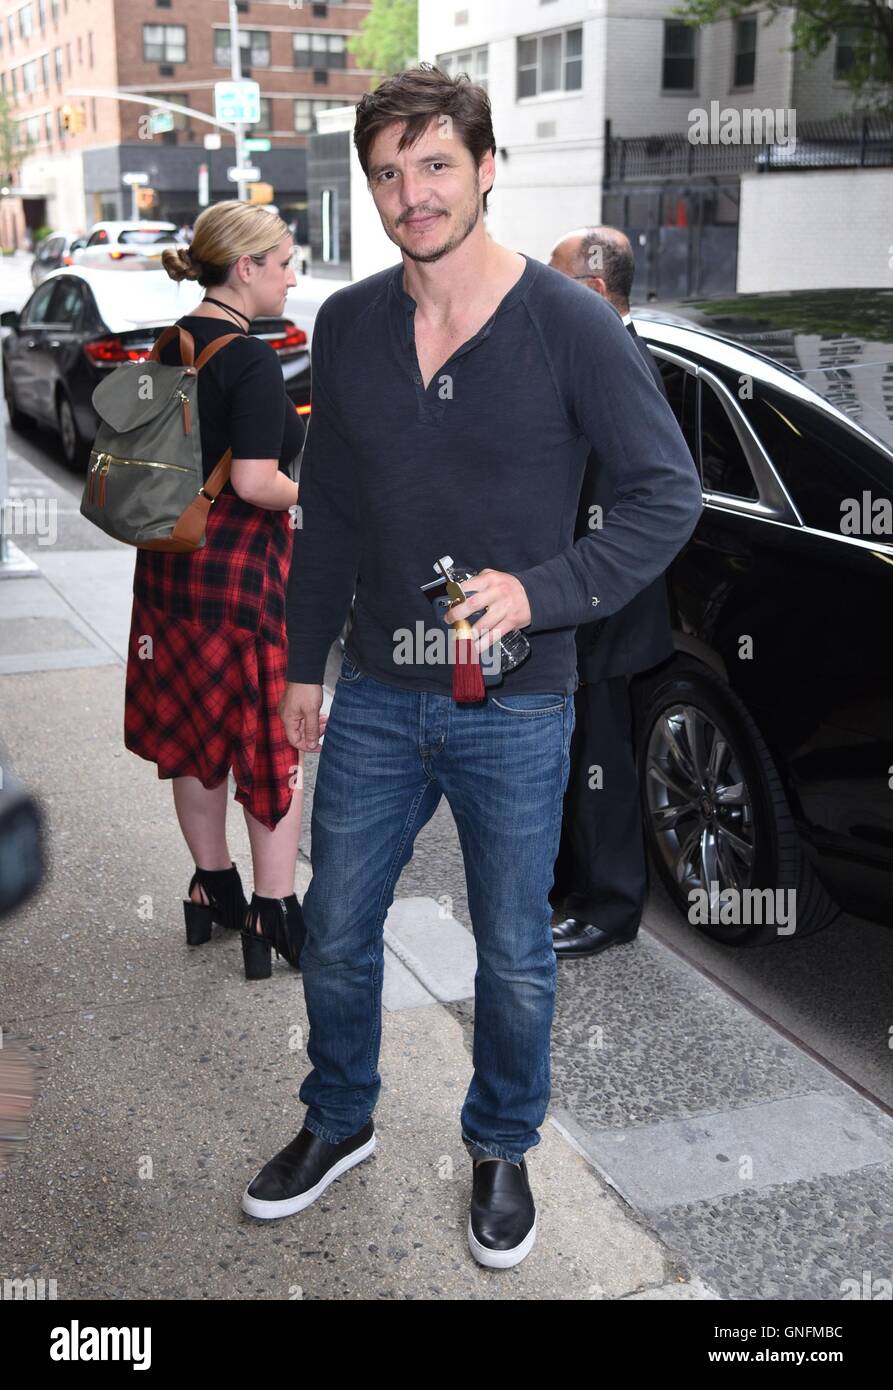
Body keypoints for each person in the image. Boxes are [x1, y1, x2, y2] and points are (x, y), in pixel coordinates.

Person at [240, 68, 703, 1267]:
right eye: (388, 173)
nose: (411, 192)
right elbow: (329, 506)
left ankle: (499, 1145)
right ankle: (337, 1119)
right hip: (380, 693)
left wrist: (540, 592)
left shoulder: (569, 323)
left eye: (435, 163)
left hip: (517, 705)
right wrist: (300, 664)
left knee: (511, 950)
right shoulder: (344, 325)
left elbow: (664, 496)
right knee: (336, 924)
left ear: (486, 167)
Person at [123, 201, 306, 980]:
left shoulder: (171, 342)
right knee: (273, 742)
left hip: (170, 571)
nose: (294, 277)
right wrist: (320, 494)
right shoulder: (250, 359)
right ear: (246, 268)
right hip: (239, 579)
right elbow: (261, 484)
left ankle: (214, 885)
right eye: (285, 262)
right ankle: (275, 908)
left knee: (197, 739)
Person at [547, 226, 677, 959]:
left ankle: (608, 907)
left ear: (594, 291)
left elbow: (629, 494)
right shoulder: (594, 349)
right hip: (579, 594)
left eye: (555, 274)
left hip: (604, 597)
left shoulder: (617, 361)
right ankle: (572, 887)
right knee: (575, 751)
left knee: (600, 757)